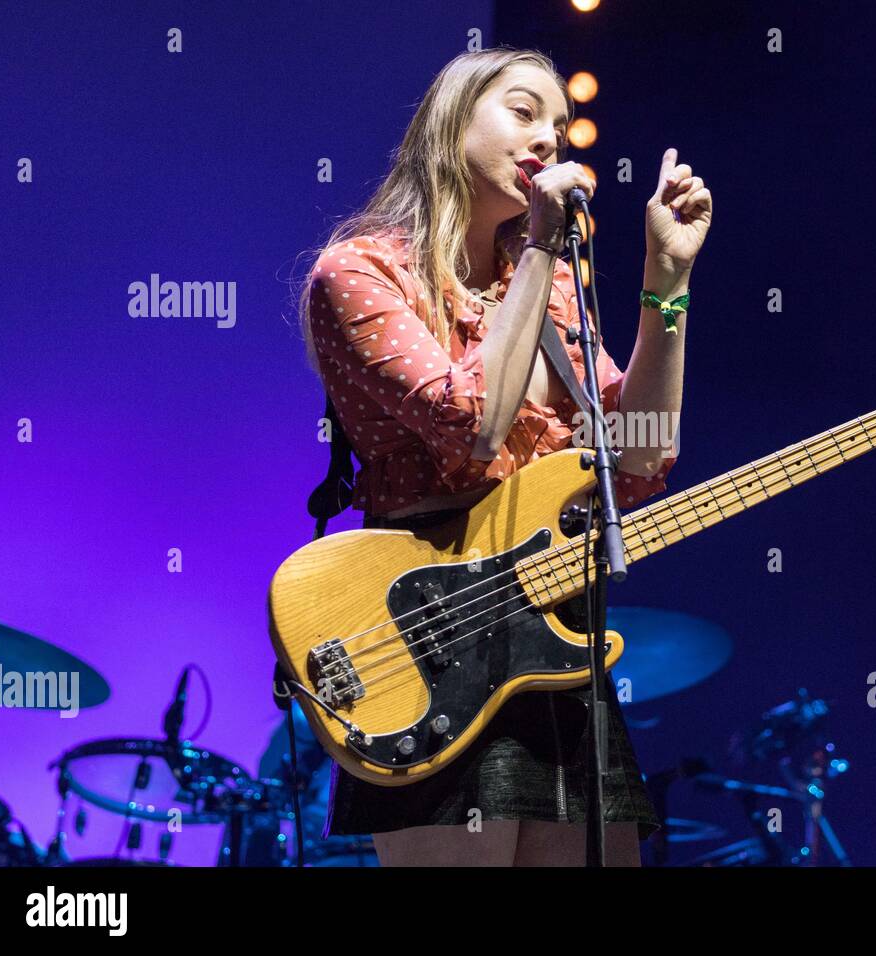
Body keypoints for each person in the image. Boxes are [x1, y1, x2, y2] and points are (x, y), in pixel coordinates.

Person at [298, 46, 712, 866]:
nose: (548, 140)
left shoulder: (552, 290)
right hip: (430, 643)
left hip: (549, 633)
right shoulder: (358, 272)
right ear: (452, 126)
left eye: (559, 126)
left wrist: (667, 281)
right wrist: (540, 250)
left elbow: (636, 458)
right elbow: (476, 424)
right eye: (524, 113)